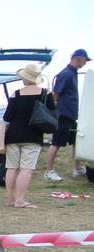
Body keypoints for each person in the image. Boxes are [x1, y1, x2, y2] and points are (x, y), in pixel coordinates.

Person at [3, 63, 57, 209]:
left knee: (12, 167)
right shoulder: (45, 93)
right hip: (33, 135)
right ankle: (20, 200)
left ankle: (10, 199)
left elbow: (7, 117)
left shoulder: (16, 94)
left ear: (25, 78)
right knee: (26, 168)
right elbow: (52, 111)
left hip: (13, 134)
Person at [43, 48, 88, 181]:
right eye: (85, 60)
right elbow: (55, 94)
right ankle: (49, 171)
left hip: (71, 115)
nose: (85, 63)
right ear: (78, 58)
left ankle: (77, 169)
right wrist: (55, 111)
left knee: (76, 142)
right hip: (63, 114)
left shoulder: (73, 73)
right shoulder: (66, 74)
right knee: (56, 142)